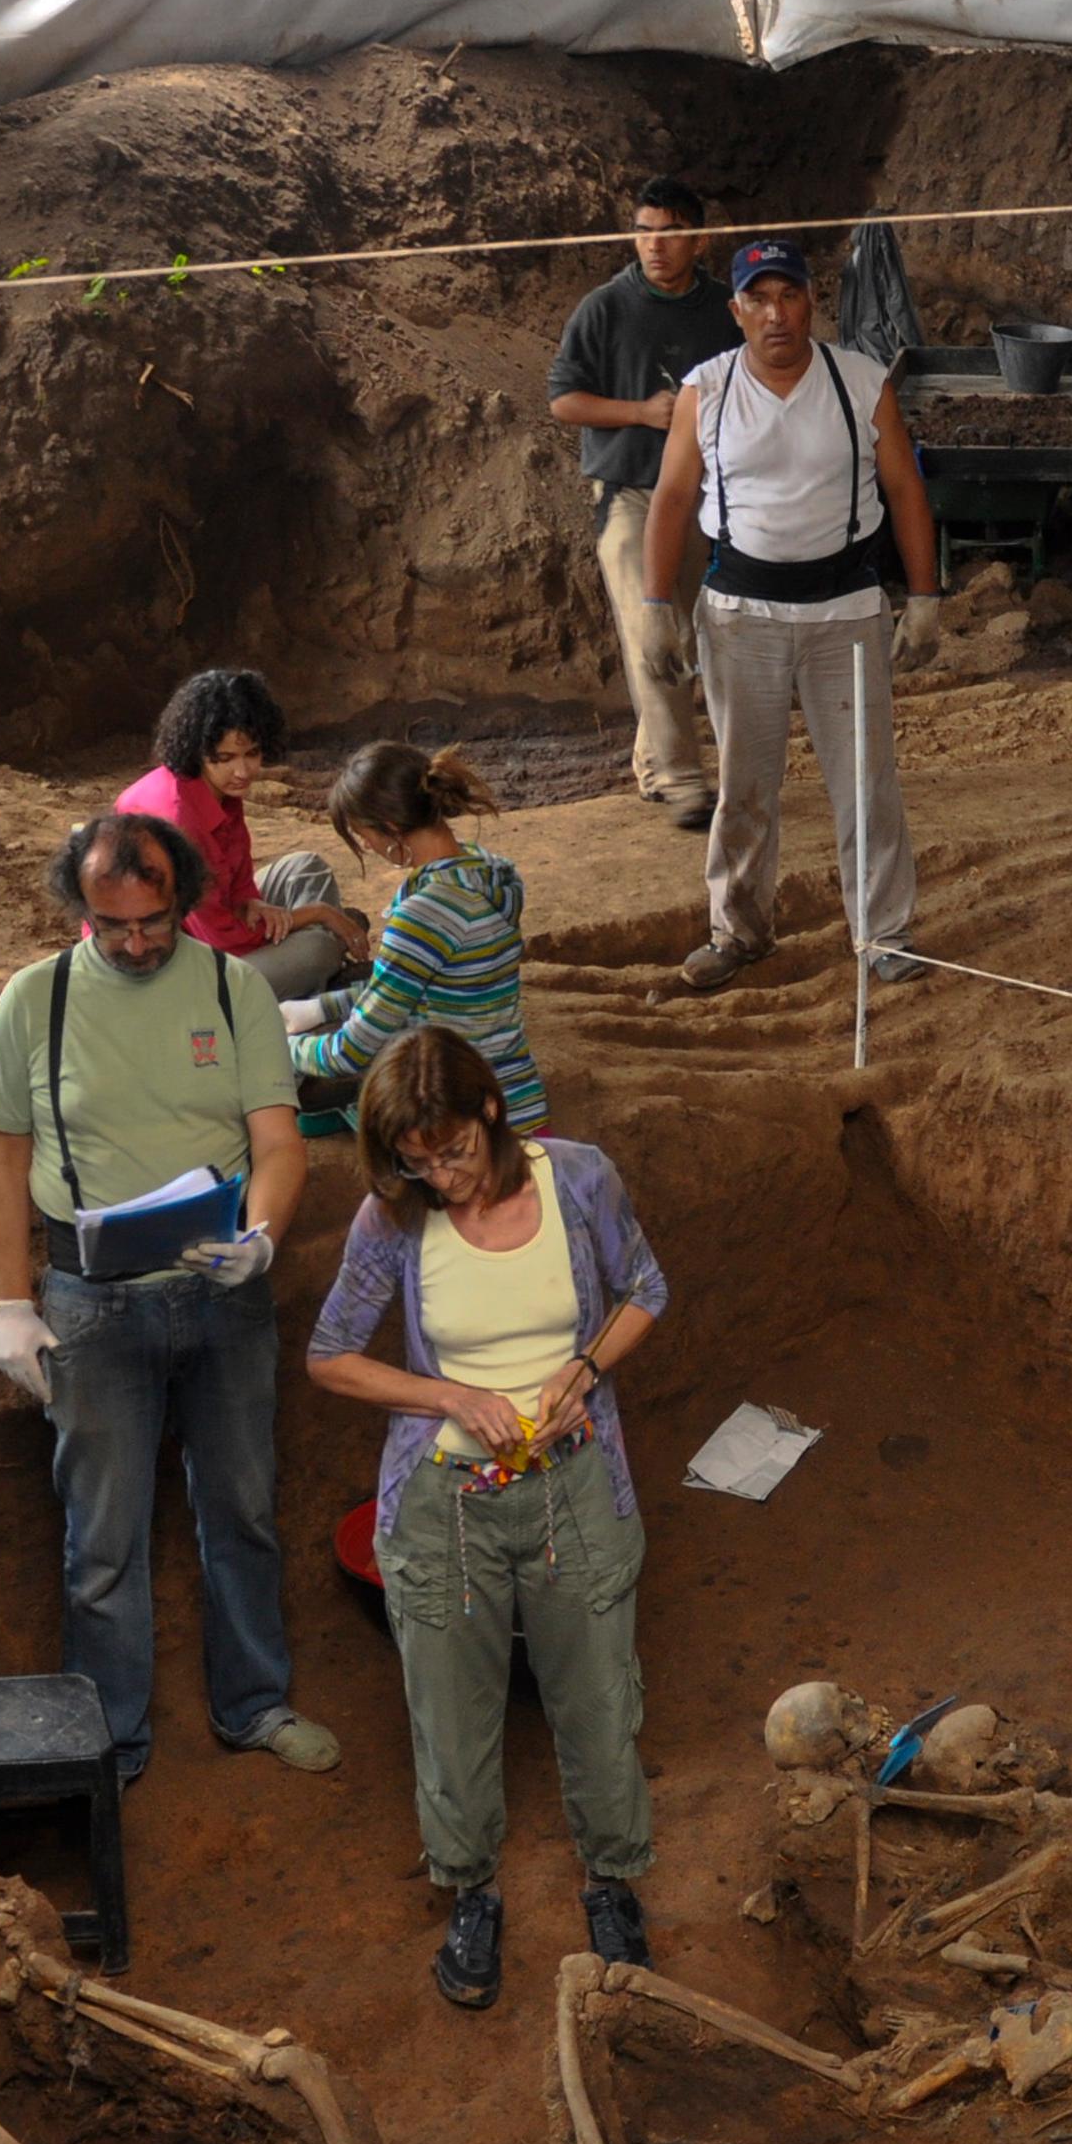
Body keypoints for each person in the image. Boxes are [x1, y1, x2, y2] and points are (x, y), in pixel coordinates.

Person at [0, 811, 340, 1783]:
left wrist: (261, 1238)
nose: (135, 943)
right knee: (101, 1537)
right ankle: (110, 1741)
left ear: (182, 900)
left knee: (243, 1509)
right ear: (78, 908)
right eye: (111, 924)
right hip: (91, 1304)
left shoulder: (231, 990)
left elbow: (278, 1141)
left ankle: (255, 1702)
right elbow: (0, 1153)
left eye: (153, 922)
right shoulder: (33, 1001)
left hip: (221, 1294)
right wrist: (13, 1302)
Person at [306, 1028, 667, 2009]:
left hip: (574, 1484)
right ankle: (470, 1890)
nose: (441, 1175)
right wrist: (445, 1396)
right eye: (416, 1161)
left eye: (452, 1150)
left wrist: (583, 1369)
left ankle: (611, 1879)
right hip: (443, 1506)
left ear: (492, 1113)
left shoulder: (578, 1179)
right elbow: (330, 1352)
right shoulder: (392, 1220)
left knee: (596, 1695)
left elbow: (646, 1288)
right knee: (450, 1713)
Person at [646, 239, 945, 994]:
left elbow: (906, 490)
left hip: (846, 610)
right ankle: (739, 930)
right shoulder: (706, 390)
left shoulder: (860, 381)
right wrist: (656, 606)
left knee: (865, 779)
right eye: (759, 299)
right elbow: (674, 499)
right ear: (736, 310)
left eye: (790, 296)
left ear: (813, 301)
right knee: (745, 784)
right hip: (742, 614)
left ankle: (883, 932)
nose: (776, 314)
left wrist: (925, 596)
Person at [547, 176, 747, 829]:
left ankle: (651, 761)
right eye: (643, 231)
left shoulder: (726, 310)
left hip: (701, 496)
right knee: (649, 627)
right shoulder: (604, 308)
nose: (653, 246)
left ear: (698, 239)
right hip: (628, 494)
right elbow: (563, 400)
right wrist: (640, 412)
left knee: (684, 634)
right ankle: (685, 780)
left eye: (668, 233)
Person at [291, 742, 547, 1135]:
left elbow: (349, 1053)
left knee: (309, 1083)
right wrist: (319, 1009)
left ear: (391, 830)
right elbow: (421, 989)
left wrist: (283, 1048)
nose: (367, 848)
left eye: (364, 836)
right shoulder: (490, 871)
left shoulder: (425, 913)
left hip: (460, 1124)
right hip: (517, 1098)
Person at [112, 668, 372, 1003]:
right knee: (317, 950)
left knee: (305, 868)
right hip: (182, 973)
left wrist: (253, 903)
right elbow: (222, 940)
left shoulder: (215, 788)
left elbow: (235, 883)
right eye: (225, 758)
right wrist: (318, 914)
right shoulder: (179, 819)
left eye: (252, 754)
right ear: (197, 750)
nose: (243, 771)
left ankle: (316, 964)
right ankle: (321, 963)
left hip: (214, 927)